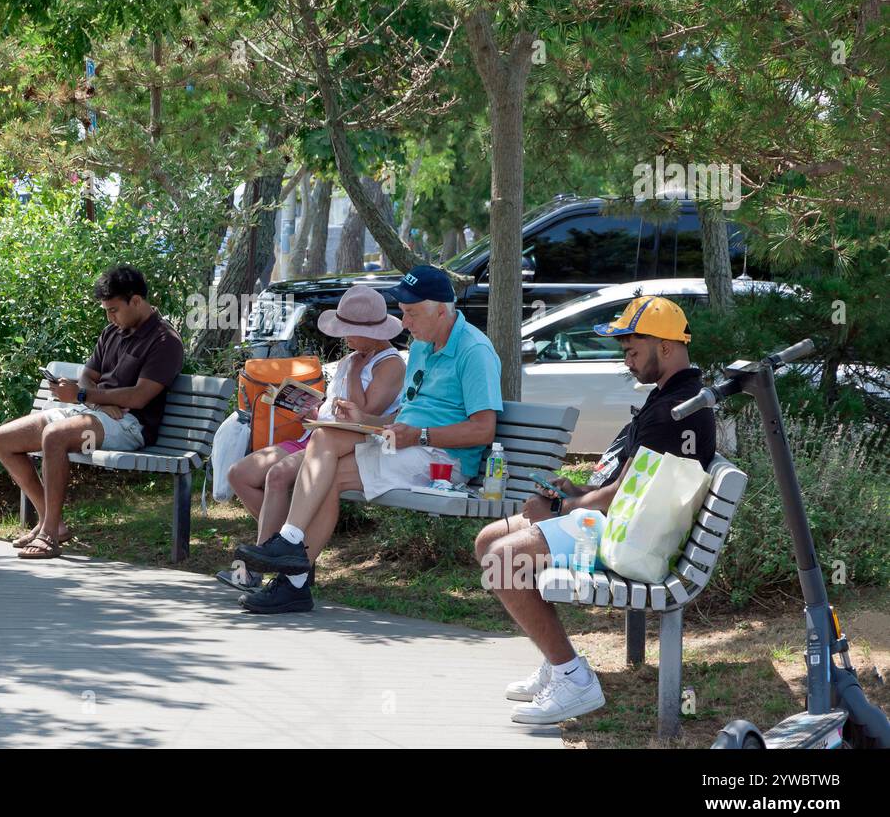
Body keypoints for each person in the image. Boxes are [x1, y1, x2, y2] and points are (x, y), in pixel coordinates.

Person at [474, 296, 716, 725]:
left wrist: (562, 508)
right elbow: (632, 483)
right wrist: (578, 491)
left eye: (632, 350)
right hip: (627, 522)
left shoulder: (677, 410)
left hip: (637, 540)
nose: (627, 361)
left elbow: (628, 493)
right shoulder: (671, 397)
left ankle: (574, 679)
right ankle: (557, 664)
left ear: (664, 346)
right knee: (488, 540)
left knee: (502, 559)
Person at [235, 264, 502, 614]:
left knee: (326, 466)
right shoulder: (423, 345)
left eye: (411, 314)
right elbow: (405, 416)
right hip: (405, 443)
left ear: (441, 310)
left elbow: (483, 429)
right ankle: (293, 567)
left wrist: (420, 435)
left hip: (442, 458)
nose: (404, 323)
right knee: (327, 442)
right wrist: (367, 421)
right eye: (403, 313)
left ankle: (291, 558)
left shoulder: (475, 352)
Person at [0, 265, 185, 559]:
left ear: (136, 301)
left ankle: (50, 534)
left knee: (54, 436)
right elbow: (86, 376)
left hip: (130, 423)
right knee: (2, 439)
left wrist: (84, 395)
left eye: (114, 310)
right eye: (106, 310)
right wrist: (94, 400)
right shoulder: (112, 332)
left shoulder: (164, 340)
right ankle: (51, 521)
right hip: (94, 412)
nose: (109, 317)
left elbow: (140, 397)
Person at [218, 285, 405, 591]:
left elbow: (363, 414)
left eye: (349, 332)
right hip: (316, 434)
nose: (344, 339)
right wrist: (308, 406)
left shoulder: (390, 364)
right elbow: (334, 406)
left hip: (341, 443)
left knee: (278, 476)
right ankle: (288, 550)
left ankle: (257, 567)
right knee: (240, 474)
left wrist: (357, 373)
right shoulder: (352, 358)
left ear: (371, 331)